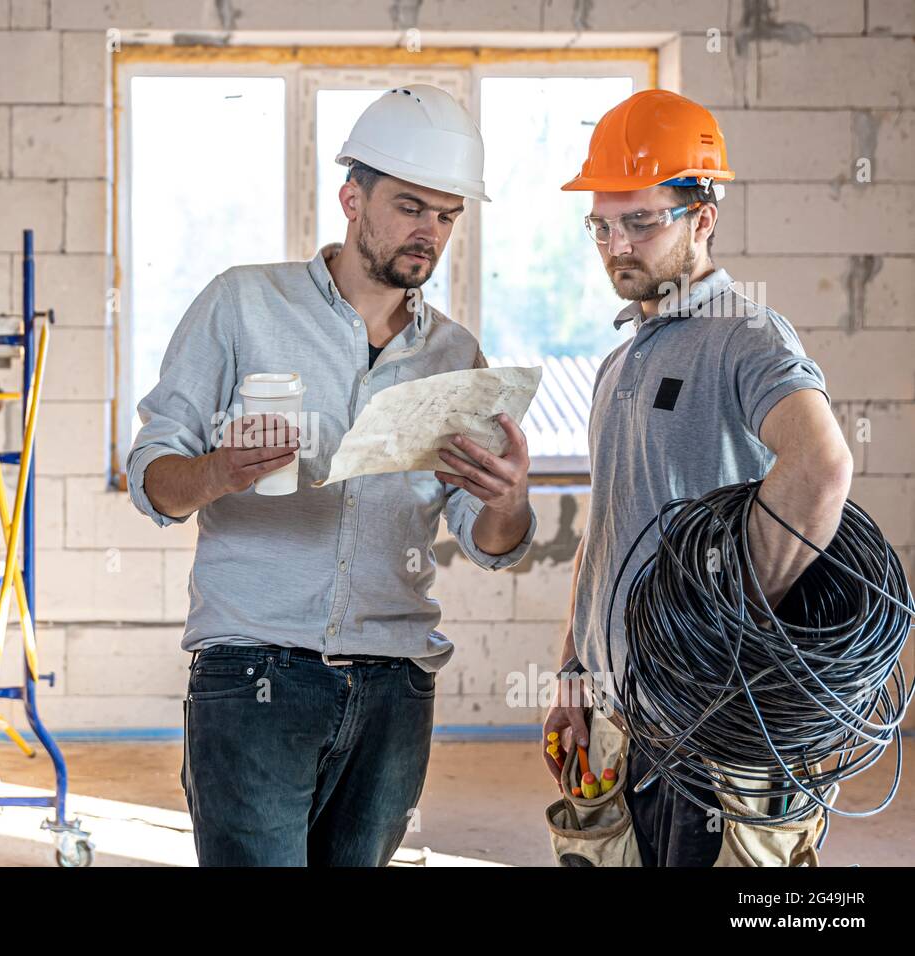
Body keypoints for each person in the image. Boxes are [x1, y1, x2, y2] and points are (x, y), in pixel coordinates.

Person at [126, 85, 535, 866]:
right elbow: (153, 480)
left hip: (394, 687)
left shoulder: (455, 355)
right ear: (353, 198)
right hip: (254, 676)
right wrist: (217, 471)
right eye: (412, 206)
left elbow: (489, 543)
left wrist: (508, 501)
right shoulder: (242, 305)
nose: (430, 232)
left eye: (448, 216)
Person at [542, 89, 853, 866]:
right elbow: (607, 524)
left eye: (642, 221)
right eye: (603, 225)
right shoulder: (619, 361)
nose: (618, 244)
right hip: (622, 715)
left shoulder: (744, 335)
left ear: (701, 217)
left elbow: (821, 465)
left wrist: (728, 622)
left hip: (715, 719)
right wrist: (571, 672)